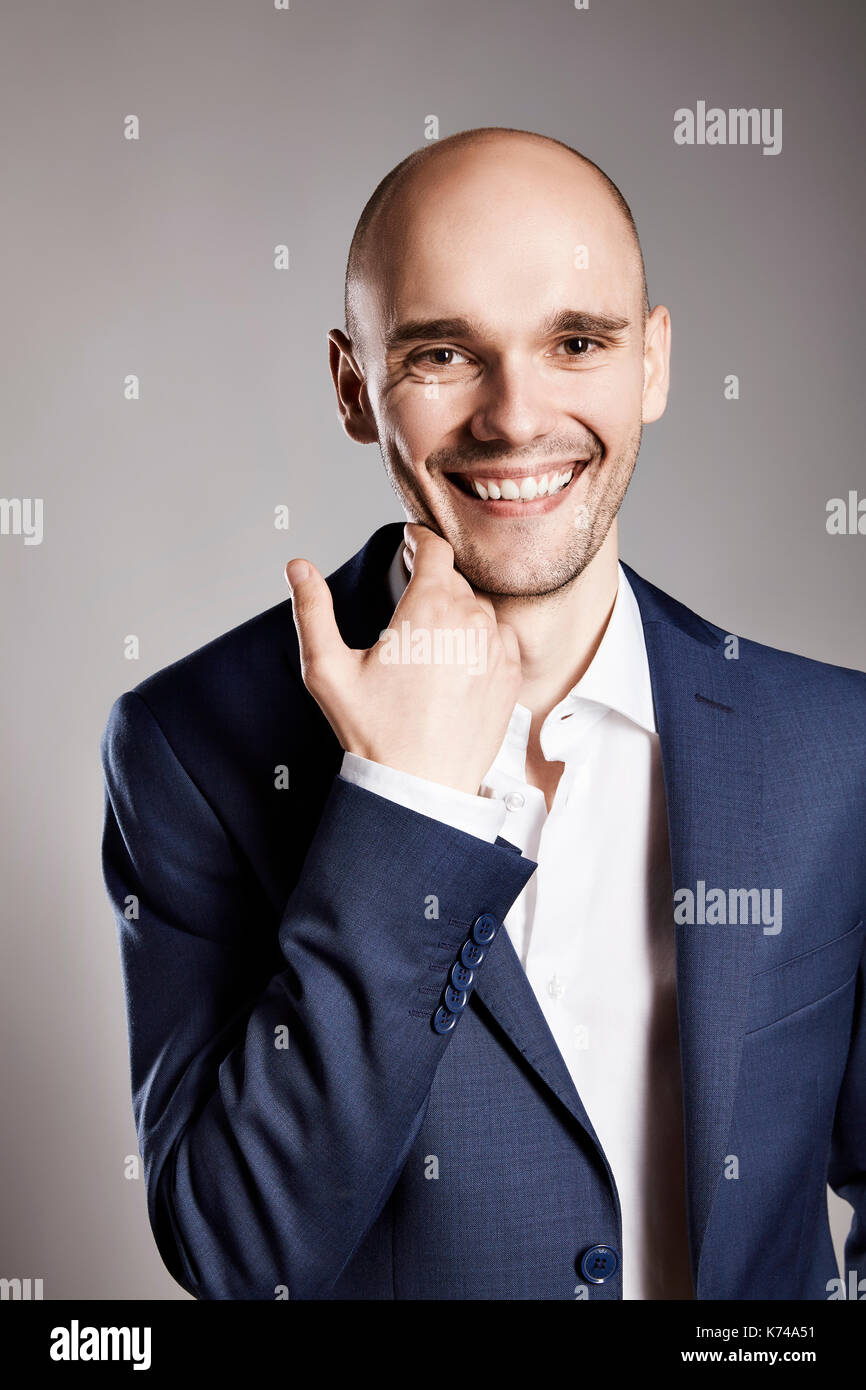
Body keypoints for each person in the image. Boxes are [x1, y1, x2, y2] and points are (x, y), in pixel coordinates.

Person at [100, 127, 866, 1301]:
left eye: (575, 342)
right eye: (444, 353)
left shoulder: (833, 744)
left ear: (651, 363)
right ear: (355, 386)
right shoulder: (191, 746)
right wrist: (400, 804)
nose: (515, 417)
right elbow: (242, 1258)